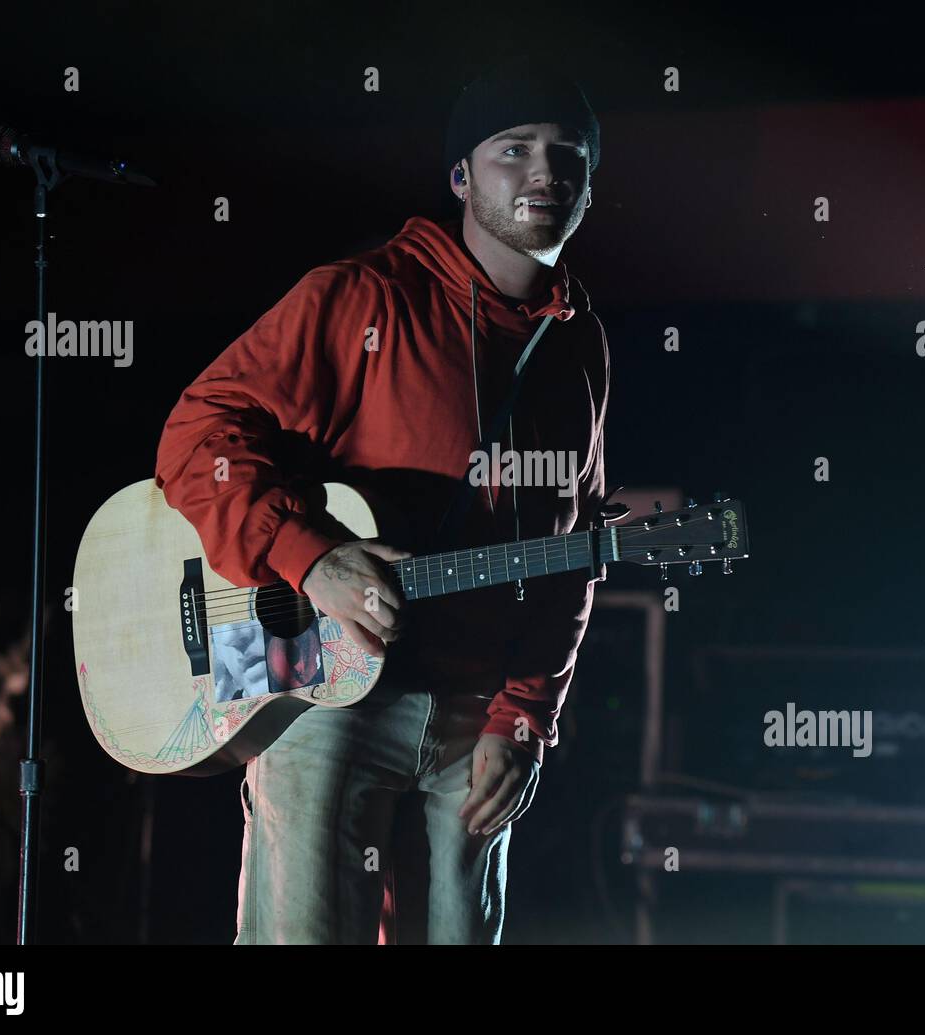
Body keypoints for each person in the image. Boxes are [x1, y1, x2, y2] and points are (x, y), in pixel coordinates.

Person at [154, 54, 610, 944]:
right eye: (512, 149)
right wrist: (311, 557)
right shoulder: (364, 295)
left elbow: (575, 545)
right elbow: (196, 436)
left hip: (476, 717)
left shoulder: (580, 341)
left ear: (590, 187)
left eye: (569, 154)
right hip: (313, 682)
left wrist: (525, 717)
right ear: (460, 175)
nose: (544, 172)